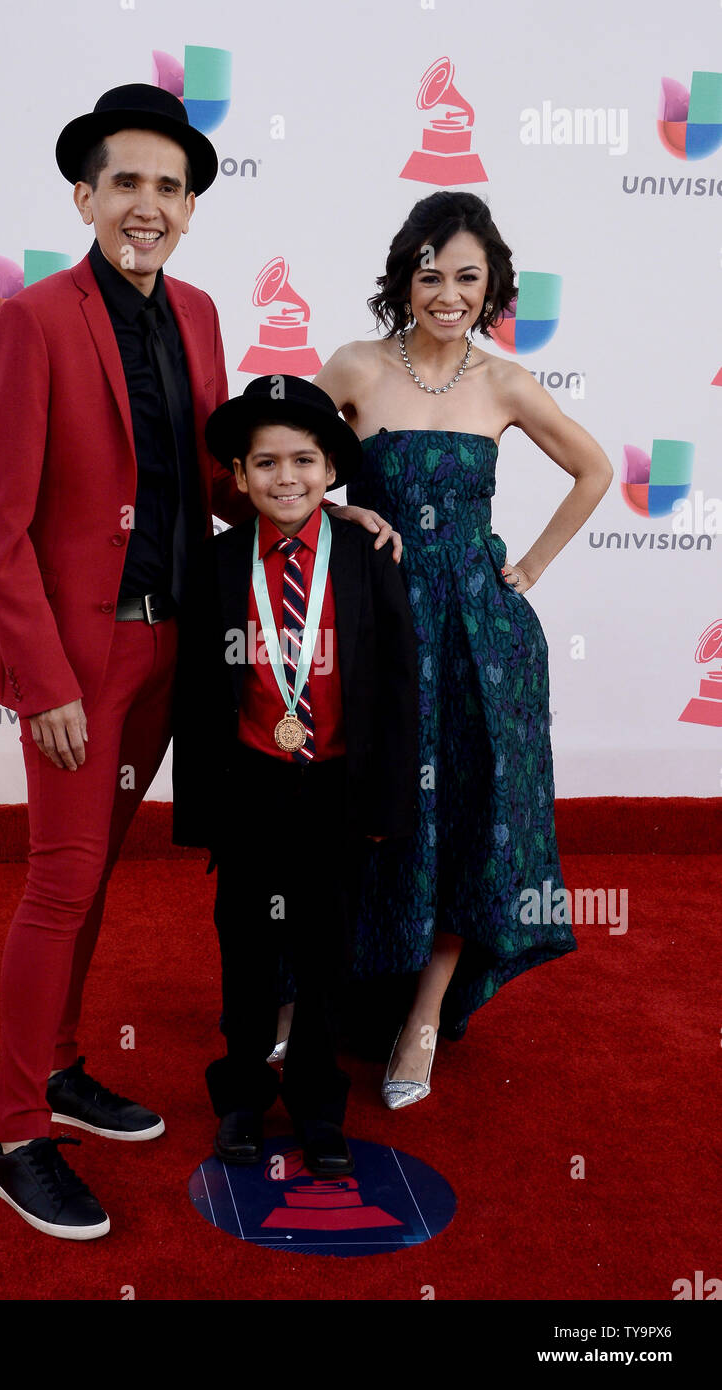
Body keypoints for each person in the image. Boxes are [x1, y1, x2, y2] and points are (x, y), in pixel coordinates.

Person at [0, 84, 399, 1239]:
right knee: (59, 881)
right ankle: (16, 1135)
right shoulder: (34, 320)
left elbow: (221, 482)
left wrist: (327, 517)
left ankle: (61, 1067)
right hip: (78, 650)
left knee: (95, 873)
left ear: (192, 207)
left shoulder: (202, 314)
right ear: (85, 194)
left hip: (177, 649)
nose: (147, 205)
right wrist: (48, 678)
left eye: (170, 187)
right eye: (126, 183)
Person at [315, 191, 613, 1109]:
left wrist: (525, 567)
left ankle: (423, 1020)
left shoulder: (505, 383)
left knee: (471, 822)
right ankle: (314, 995)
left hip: (481, 641)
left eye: (467, 278)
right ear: (404, 276)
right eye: (429, 273)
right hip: (375, 631)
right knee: (353, 811)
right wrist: (340, 508)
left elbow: (595, 468)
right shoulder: (354, 366)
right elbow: (281, 464)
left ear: (492, 288)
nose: (447, 293)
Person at [171, 376, 418, 1175]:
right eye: (266, 463)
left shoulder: (365, 553)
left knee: (325, 949)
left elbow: (395, 680)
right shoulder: (213, 563)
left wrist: (386, 799)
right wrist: (201, 805)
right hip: (250, 783)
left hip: (338, 786)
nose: (287, 479)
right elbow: (196, 693)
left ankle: (316, 1102)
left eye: (304, 461)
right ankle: (241, 1096)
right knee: (243, 943)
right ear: (238, 476)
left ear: (330, 471)